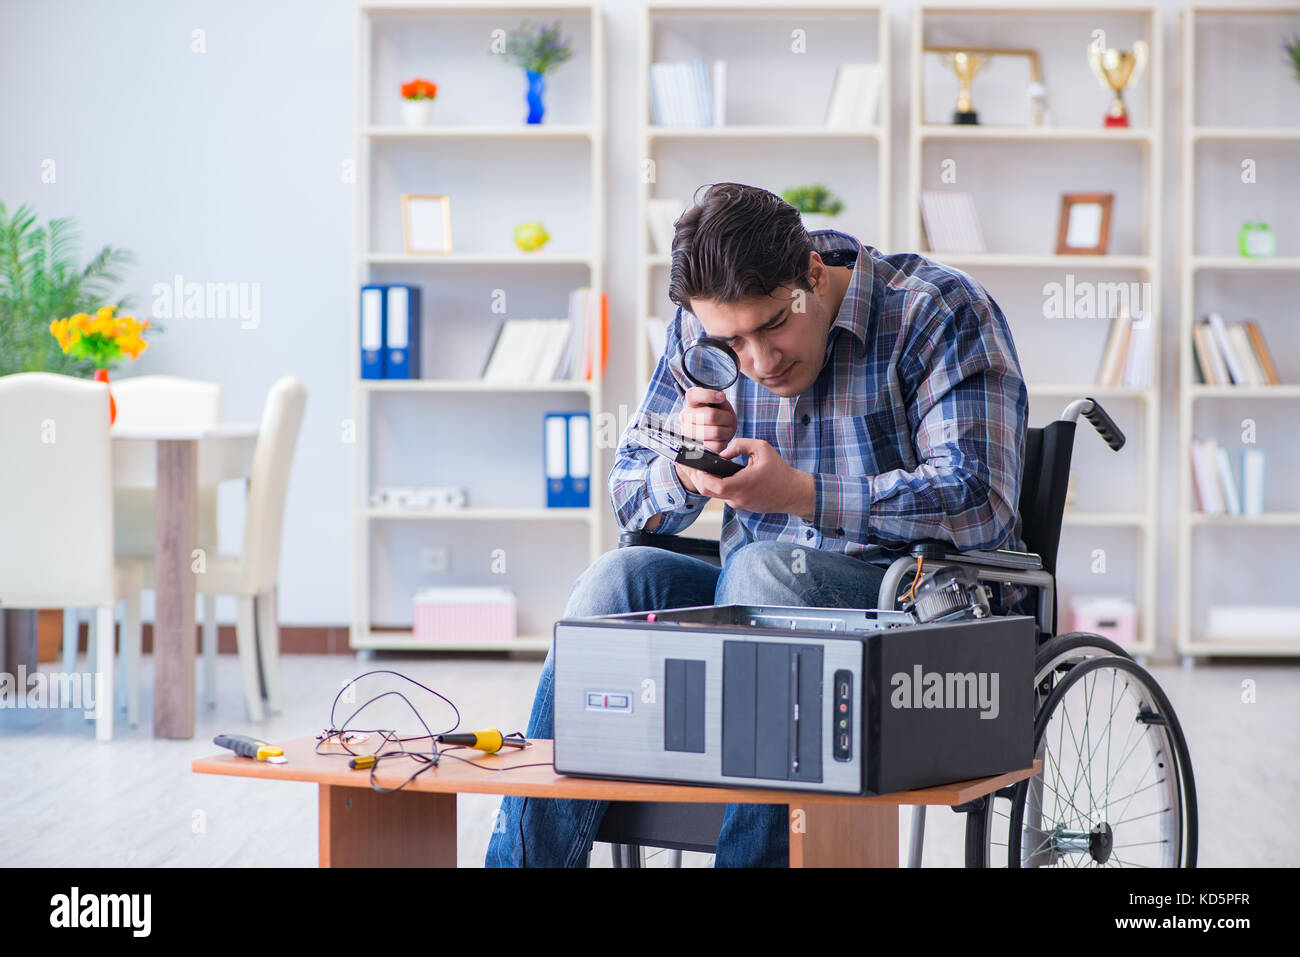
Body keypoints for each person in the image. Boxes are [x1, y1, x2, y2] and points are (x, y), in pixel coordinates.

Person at [485, 181, 1029, 867]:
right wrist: (686, 466)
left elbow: (981, 499)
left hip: (914, 618)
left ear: (809, 272)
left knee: (760, 569)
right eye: (730, 342)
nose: (758, 362)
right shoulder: (701, 331)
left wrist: (804, 494)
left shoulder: (937, 310)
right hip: (756, 627)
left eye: (774, 325)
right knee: (615, 580)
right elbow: (628, 491)